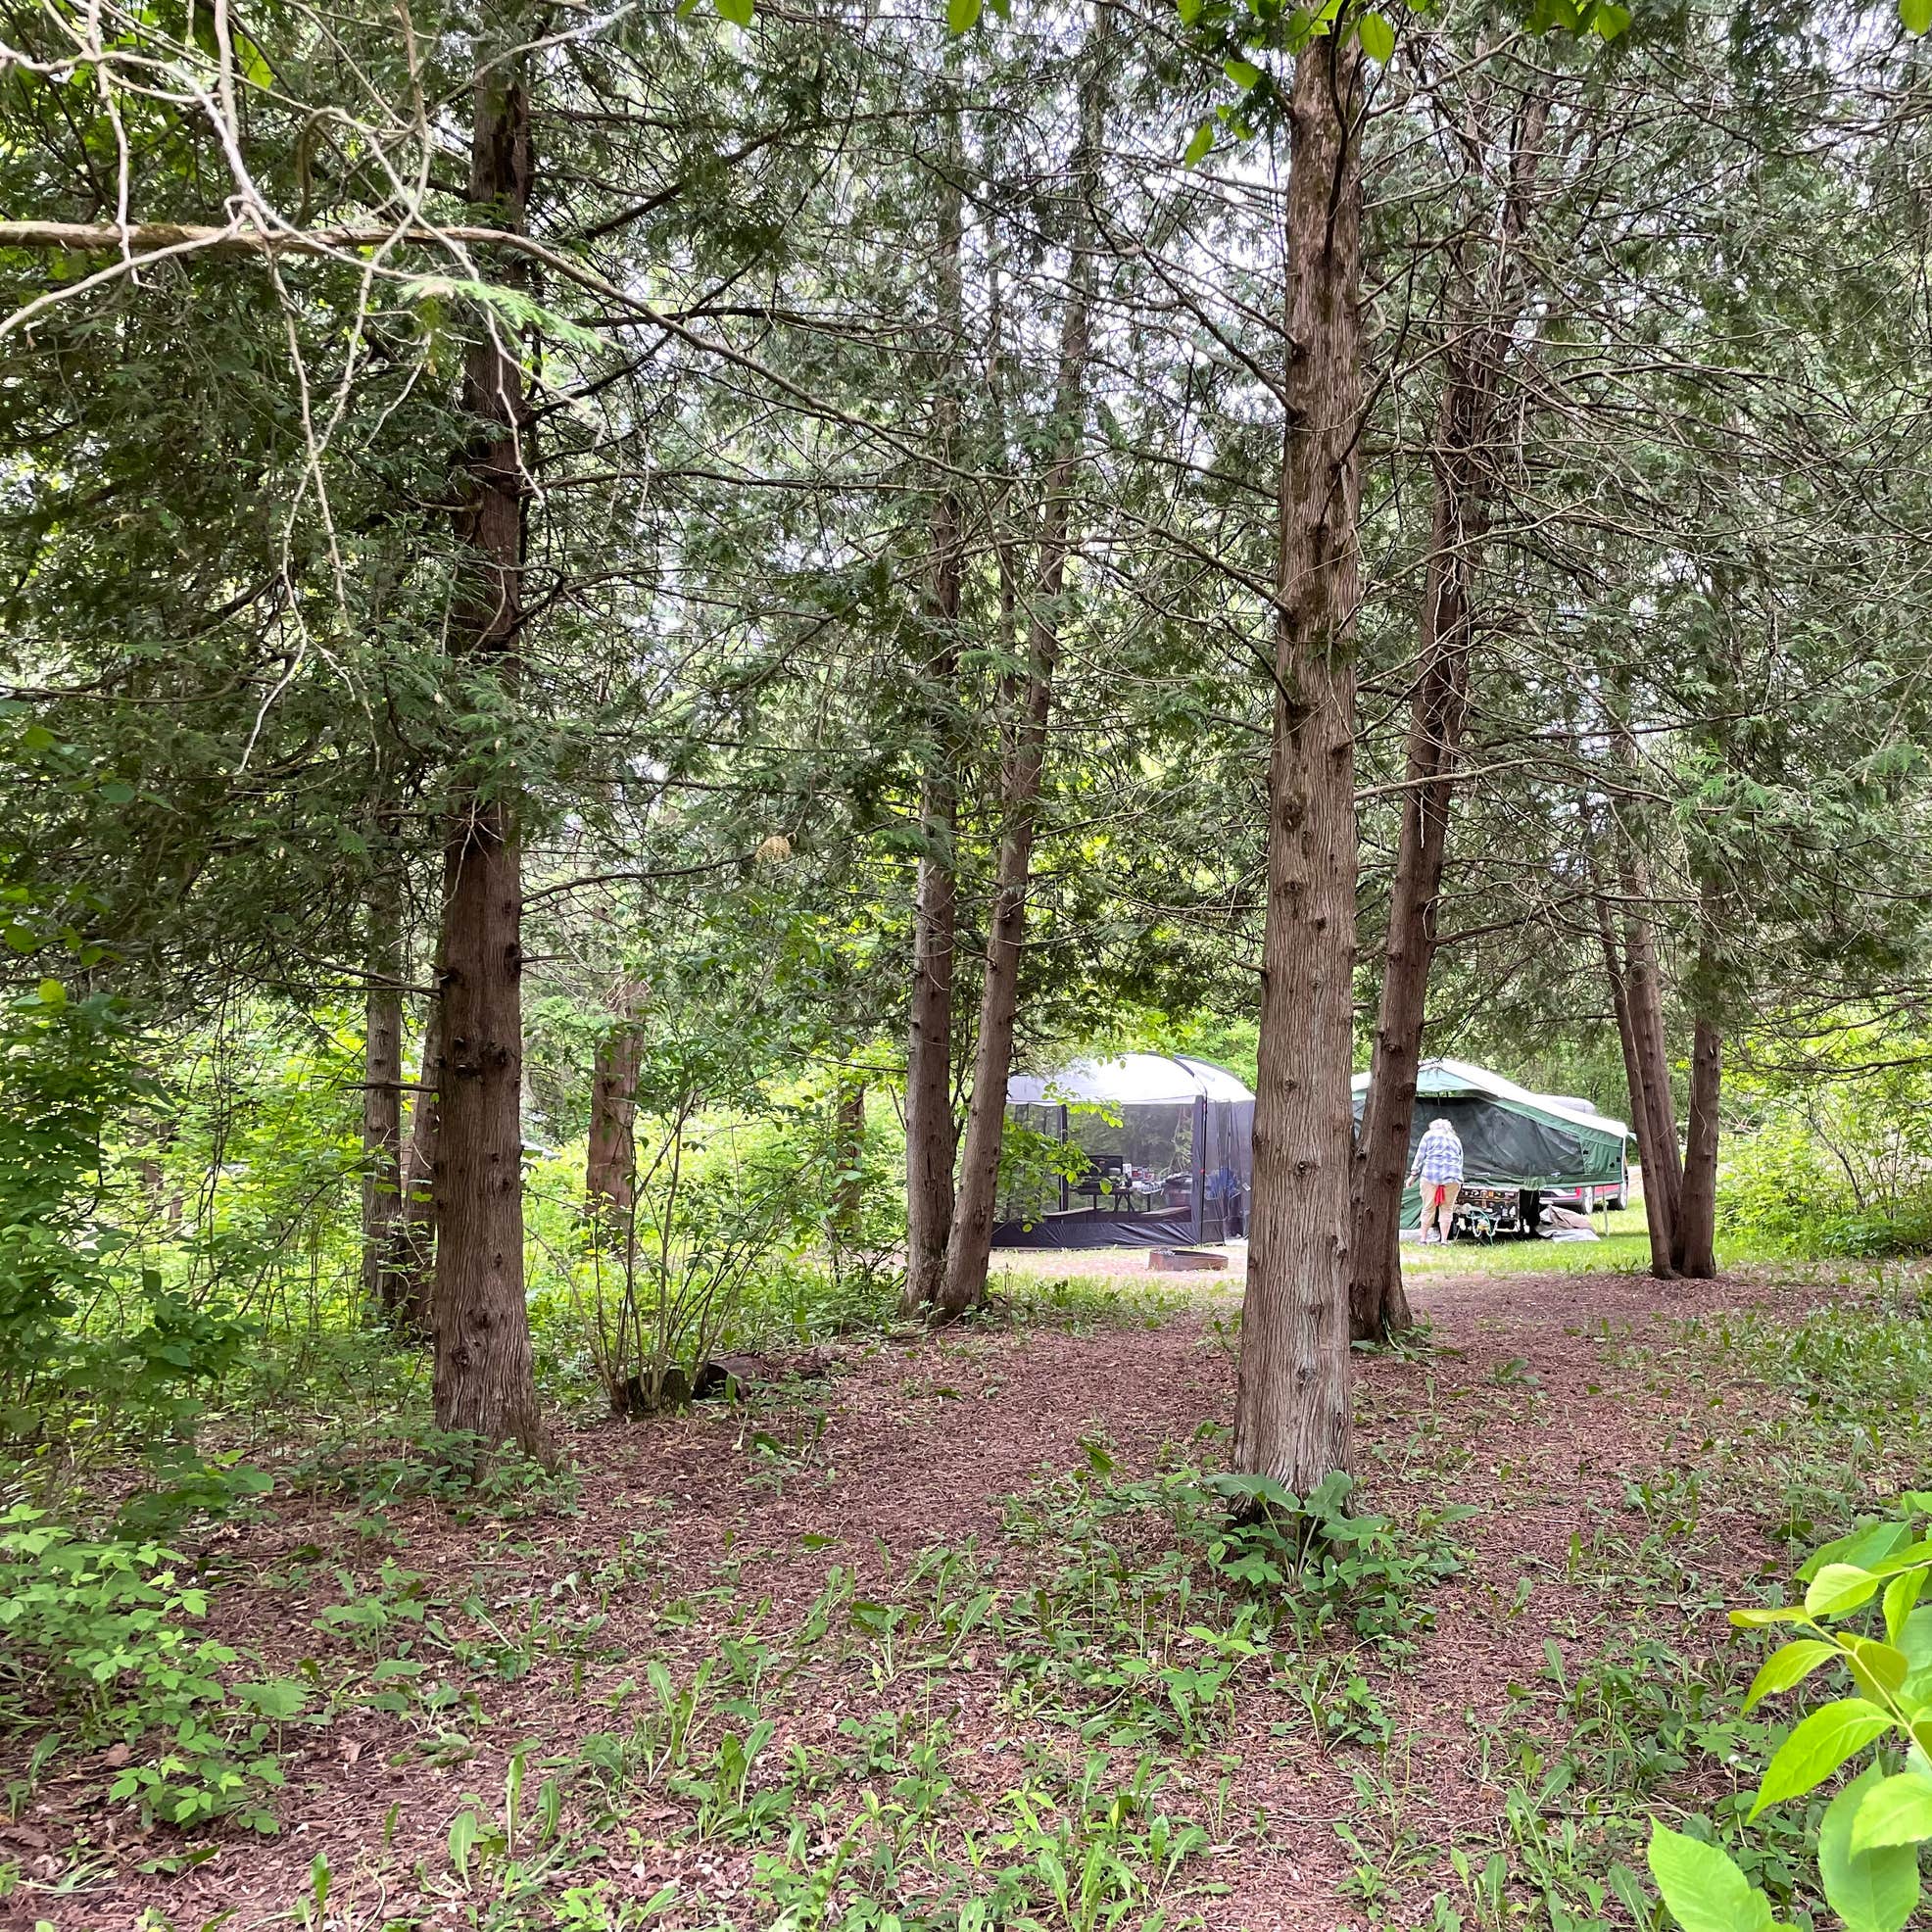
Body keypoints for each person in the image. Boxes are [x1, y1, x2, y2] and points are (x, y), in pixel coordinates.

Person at [1409, 1117, 1465, 1243]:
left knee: (1428, 1208)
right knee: (1447, 1210)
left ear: (1433, 1127)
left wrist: (1413, 1175)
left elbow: (1420, 1156)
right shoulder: (1455, 1139)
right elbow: (1460, 1160)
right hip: (1452, 1178)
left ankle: (1423, 1240)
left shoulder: (1429, 1135)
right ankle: (1444, 1241)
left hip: (1431, 1176)